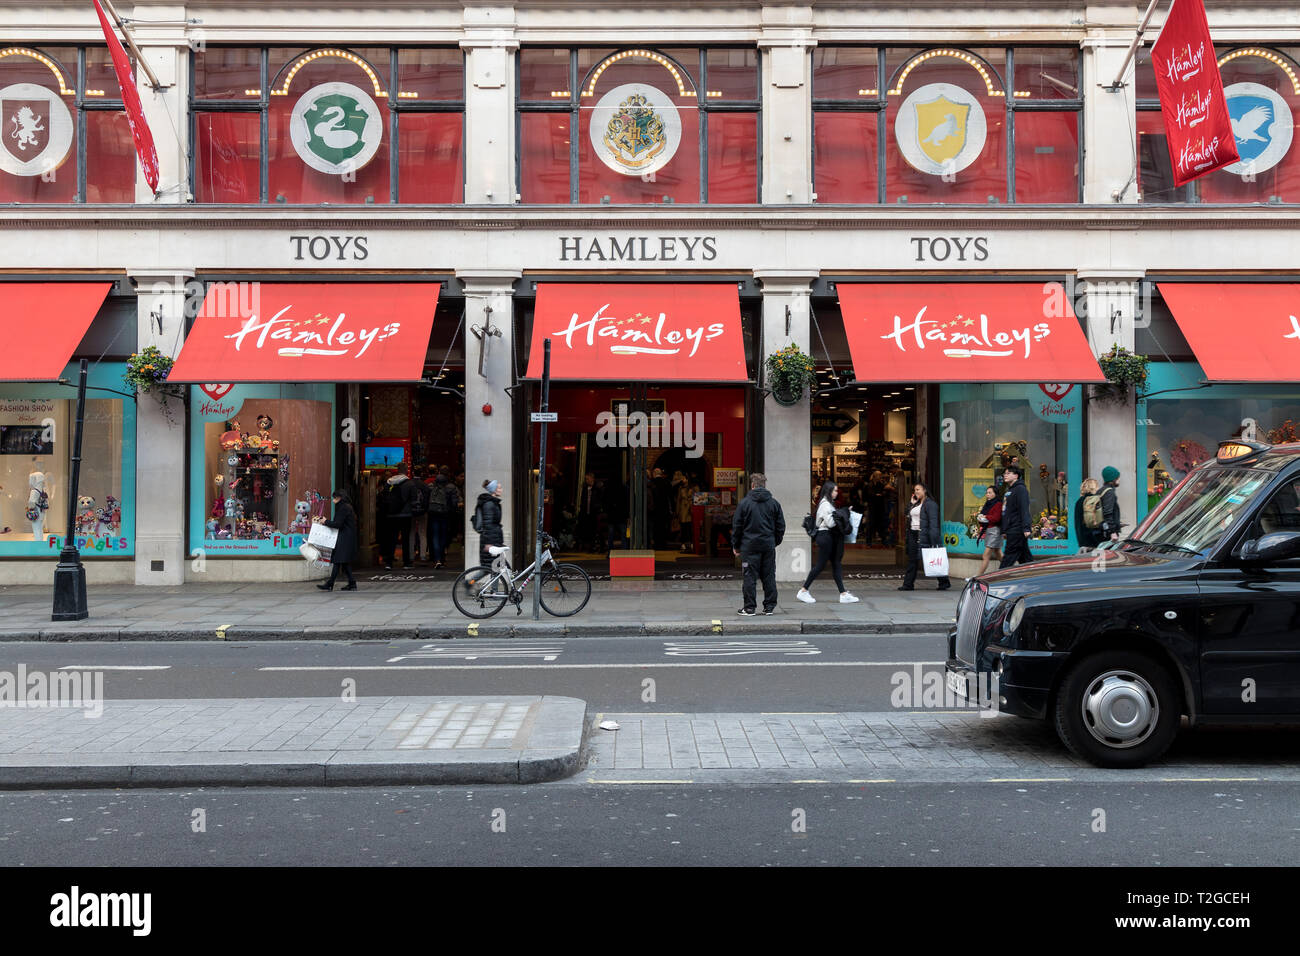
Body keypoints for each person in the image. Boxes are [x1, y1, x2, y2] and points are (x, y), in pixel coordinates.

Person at [731, 472, 785, 616]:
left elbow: (737, 526)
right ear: (764, 485)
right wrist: (774, 541)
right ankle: (769, 606)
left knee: (749, 576)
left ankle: (749, 608)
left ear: (752, 485)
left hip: (749, 547)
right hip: (768, 545)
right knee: (769, 575)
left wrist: (736, 546)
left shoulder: (744, 503)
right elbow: (781, 526)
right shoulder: (774, 503)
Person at [797, 481, 859, 604]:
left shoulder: (829, 504)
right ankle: (803, 591)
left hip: (829, 537)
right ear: (829, 491)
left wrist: (842, 512)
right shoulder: (825, 505)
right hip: (825, 536)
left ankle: (843, 593)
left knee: (836, 563)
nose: (837, 493)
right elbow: (830, 523)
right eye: (835, 490)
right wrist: (843, 513)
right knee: (820, 565)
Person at [899, 481, 950, 590]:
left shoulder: (931, 504)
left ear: (924, 490)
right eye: (914, 490)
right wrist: (911, 504)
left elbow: (933, 522)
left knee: (933, 558)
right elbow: (906, 513)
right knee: (912, 560)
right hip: (913, 534)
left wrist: (934, 539)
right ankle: (908, 584)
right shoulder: (916, 503)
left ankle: (944, 582)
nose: (915, 492)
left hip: (924, 534)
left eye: (918, 490)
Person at [316, 489, 358, 591]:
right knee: (343, 561)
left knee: (338, 560)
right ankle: (352, 583)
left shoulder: (343, 508)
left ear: (339, 498)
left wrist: (325, 522)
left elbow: (338, 524)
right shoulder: (346, 506)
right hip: (346, 537)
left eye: (334, 498)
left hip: (344, 538)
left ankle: (330, 583)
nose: (333, 500)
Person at [466, 478, 505, 586]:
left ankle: (470, 583)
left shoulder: (493, 503)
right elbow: (488, 525)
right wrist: (489, 543)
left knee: (491, 567)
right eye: (499, 487)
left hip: (493, 539)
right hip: (490, 540)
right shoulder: (489, 504)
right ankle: (492, 591)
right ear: (494, 490)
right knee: (491, 567)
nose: (501, 489)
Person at [999, 465, 1034, 568]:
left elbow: (1024, 509)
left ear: (1016, 476)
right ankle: (1033, 577)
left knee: (1008, 559)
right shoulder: (1009, 490)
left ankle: (999, 580)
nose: (1005, 475)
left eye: (1008, 473)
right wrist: (1004, 530)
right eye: (1004, 473)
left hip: (1017, 530)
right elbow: (1007, 512)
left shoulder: (1020, 489)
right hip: (1012, 529)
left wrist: (1026, 528)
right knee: (1025, 559)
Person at [385, 464, 419, 570]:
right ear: (406, 471)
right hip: (406, 514)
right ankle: (406, 562)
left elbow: (384, 497)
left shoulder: (389, 482)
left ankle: (389, 562)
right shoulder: (410, 484)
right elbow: (414, 500)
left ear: (397, 471)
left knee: (391, 538)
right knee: (405, 538)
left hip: (391, 514)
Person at [427, 466, 460, 569]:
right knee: (443, 536)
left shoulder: (430, 486)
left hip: (433, 514)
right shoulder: (451, 487)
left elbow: (425, 500)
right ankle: (442, 558)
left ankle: (437, 559)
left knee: (435, 536)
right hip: (445, 514)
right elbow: (455, 503)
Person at [975, 485, 1003, 575]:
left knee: (985, 555)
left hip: (995, 530)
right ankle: (1010, 568)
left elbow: (997, 518)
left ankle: (978, 576)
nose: (987, 494)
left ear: (995, 494)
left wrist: (985, 517)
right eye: (987, 492)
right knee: (998, 553)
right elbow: (984, 515)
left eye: (990, 492)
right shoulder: (988, 503)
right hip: (989, 530)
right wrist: (980, 517)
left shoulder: (998, 504)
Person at [1074, 477, 1105, 552]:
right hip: (1096, 541)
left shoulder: (1079, 501)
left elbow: (1077, 523)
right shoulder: (1097, 500)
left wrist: (1081, 542)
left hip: (1083, 542)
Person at [576, 472, 603, 553]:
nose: (586, 480)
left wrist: (597, 508)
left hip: (594, 512)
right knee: (587, 530)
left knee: (595, 530)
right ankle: (589, 546)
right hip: (586, 512)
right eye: (585, 479)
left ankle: (596, 546)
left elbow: (600, 499)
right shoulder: (585, 488)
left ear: (592, 478)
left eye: (587, 478)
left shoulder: (597, 488)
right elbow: (583, 500)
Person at [409, 466, 431, 562]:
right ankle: (423, 555)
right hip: (423, 511)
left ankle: (411, 555)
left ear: (413, 473)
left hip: (411, 511)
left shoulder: (409, 484)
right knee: (423, 533)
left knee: (411, 533)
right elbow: (427, 499)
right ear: (421, 473)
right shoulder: (425, 485)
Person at [1099, 465, 1123, 543]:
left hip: (1103, 530)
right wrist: (1112, 532)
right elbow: (1107, 513)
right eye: (1118, 478)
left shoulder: (1101, 490)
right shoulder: (1109, 492)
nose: (1119, 479)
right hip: (1108, 533)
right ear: (1113, 479)